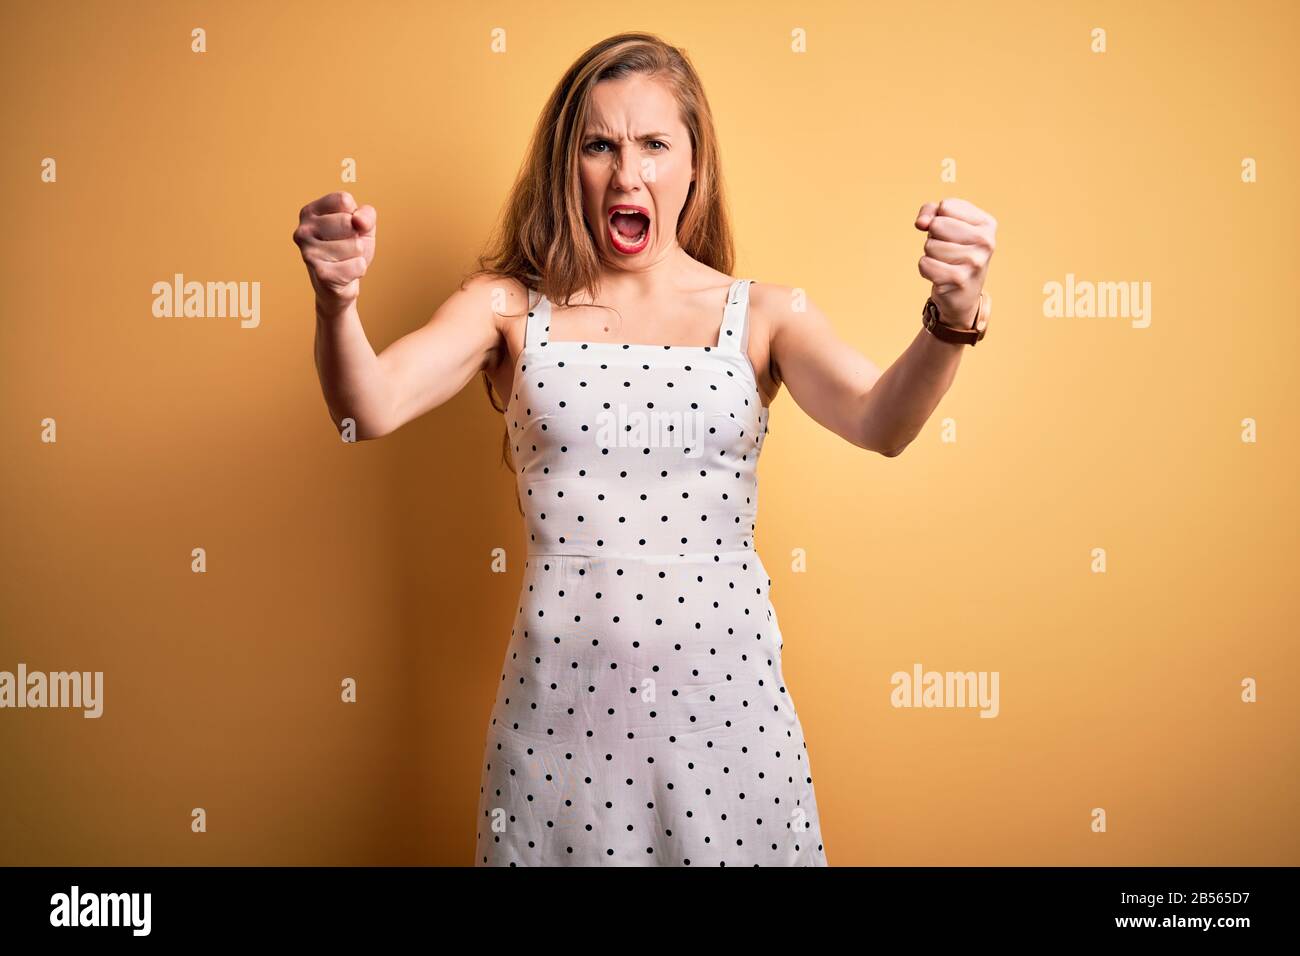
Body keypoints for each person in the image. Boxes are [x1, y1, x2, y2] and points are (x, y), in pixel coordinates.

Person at [292, 32, 996, 867]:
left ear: (695, 166)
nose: (628, 175)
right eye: (600, 145)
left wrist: (954, 315)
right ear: (569, 164)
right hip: (559, 737)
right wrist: (337, 302)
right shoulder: (507, 307)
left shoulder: (764, 314)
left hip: (732, 730)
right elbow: (365, 408)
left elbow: (882, 423)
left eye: (655, 145)